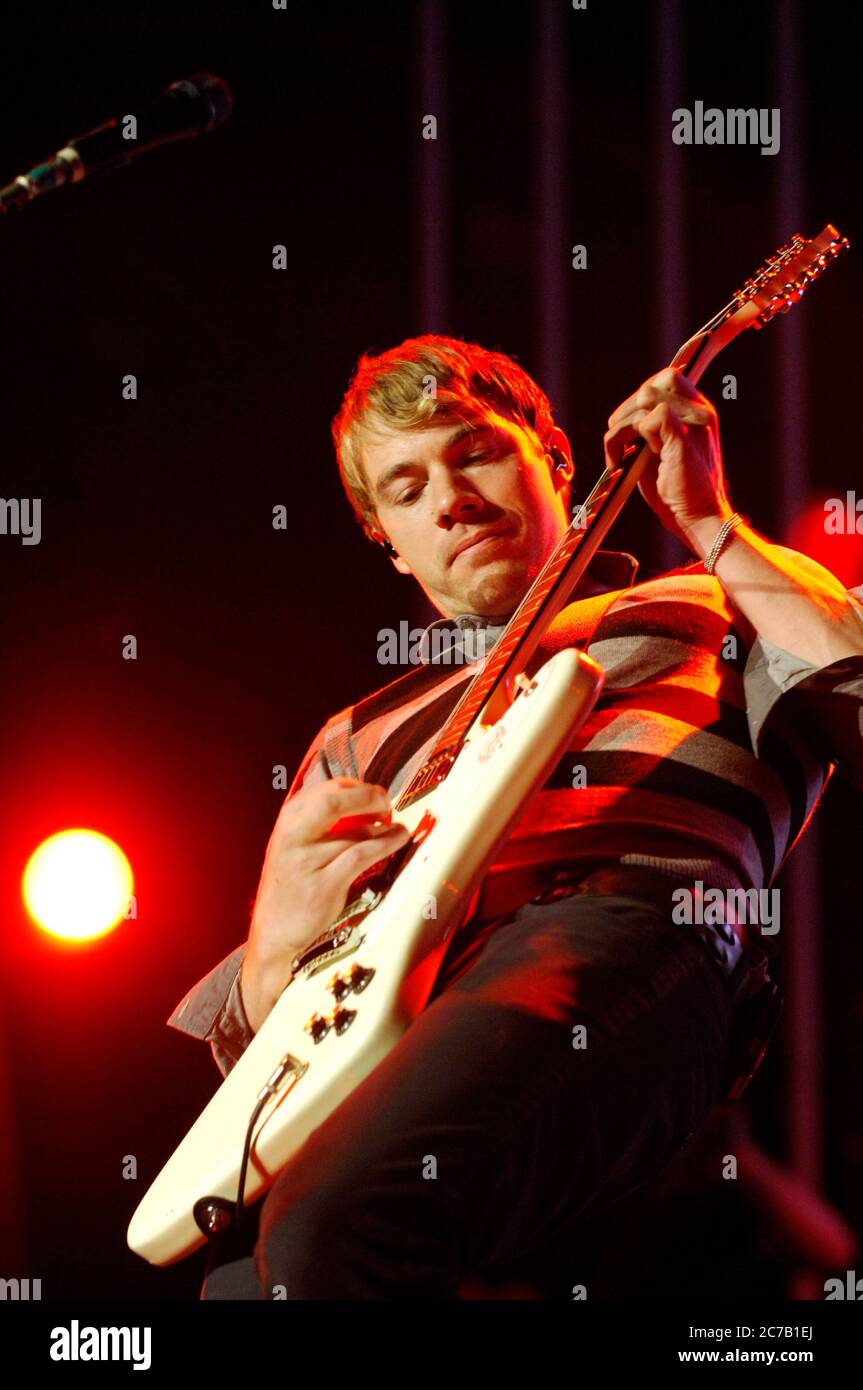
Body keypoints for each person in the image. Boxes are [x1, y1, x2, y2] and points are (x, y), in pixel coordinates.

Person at [166, 334, 863, 1300]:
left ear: (558, 459)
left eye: (476, 450)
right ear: (384, 536)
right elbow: (275, 1072)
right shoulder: (357, 736)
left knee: (343, 1224)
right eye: (404, 489)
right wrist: (270, 955)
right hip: (422, 1019)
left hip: (620, 933)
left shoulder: (712, 599)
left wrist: (710, 524)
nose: (449, 498)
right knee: (247, 1286)